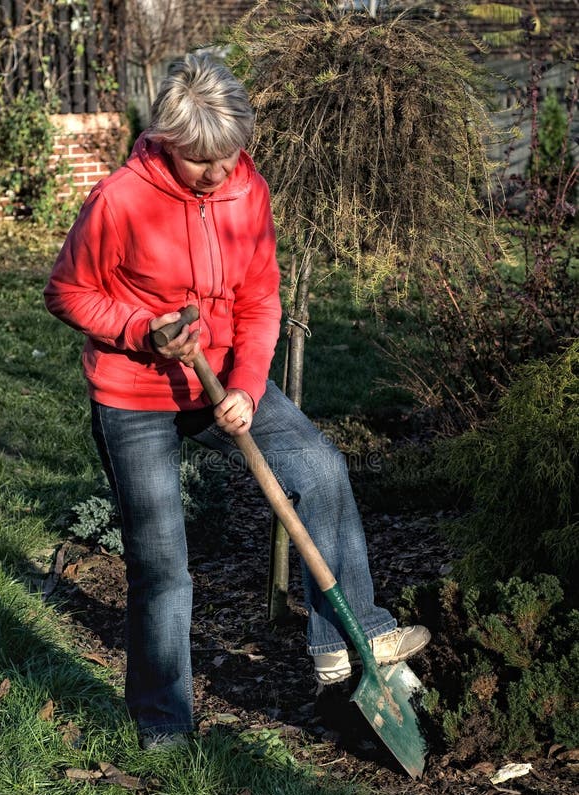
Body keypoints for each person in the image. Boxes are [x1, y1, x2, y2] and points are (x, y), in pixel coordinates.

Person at [45, 54, 430, 750]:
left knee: (319, 468)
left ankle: (349, 639)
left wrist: (249, 388)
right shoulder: (120, 200)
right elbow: (67, 291)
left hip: (225, 379)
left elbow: (259, 301)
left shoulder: (247, 191)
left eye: (229, 155)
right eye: (201, 161)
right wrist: (140, 329)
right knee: (162, 563)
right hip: (136, 393)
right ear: (165, 140)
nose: (220, 172)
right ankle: (165, 725)